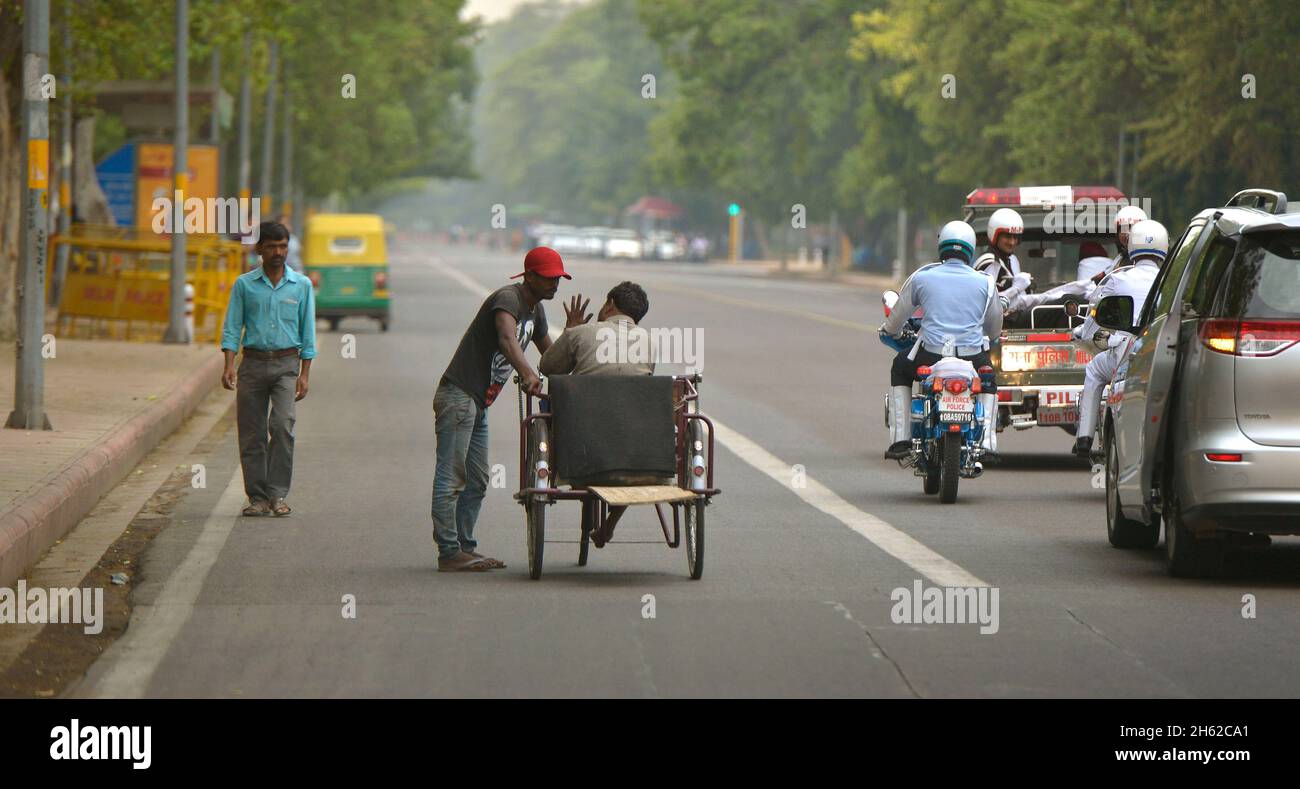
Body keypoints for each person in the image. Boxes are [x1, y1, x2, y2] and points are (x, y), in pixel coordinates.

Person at [432, 246, 564, 571]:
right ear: (529, 276)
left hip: (479, 403)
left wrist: (571, 336)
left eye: (558, 278)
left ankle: (465, 547)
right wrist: (527, 373)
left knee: (477, 479)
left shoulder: (537, 312)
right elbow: (507, 339)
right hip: (459, 395)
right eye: (548, 278)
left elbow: (552, 360)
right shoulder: (508, 299)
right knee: (453, 477)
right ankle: (449, 552)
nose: (554, 284)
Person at [881, 220, 1003, 462]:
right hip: (971, 358)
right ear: (970, 249)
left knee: (900, 368)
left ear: (941, 247)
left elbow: (898, 317)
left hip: (932, 355)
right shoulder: (986, 282)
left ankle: (900, 440)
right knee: (988, 379)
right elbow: (994, 327)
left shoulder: (923, 278)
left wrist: (891, 331)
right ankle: (987, 444)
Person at [220, 220, 316, 517]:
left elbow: (307, 331)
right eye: (272, 246)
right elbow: (233, 327)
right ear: (259, 249)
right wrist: (228, 365)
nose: (278, 252)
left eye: (283, 246)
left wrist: (304, 374)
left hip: (287, 365)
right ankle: (258, 498)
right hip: (253, 364)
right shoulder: (244, 285)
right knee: (252, 433)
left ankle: (277, 495)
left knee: (282, 426)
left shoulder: (301, 285)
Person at [1072, 219, 1167, 459]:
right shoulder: (1169, 281)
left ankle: (1084, 439)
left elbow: (1095, 313)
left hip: (1124, 352)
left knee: (1094, 370)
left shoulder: (1117, 278)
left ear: (1132, 246)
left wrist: (1082, 334)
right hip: (1159, 352)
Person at [539, 281, 654, 377]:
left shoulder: (580, 333)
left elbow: (547, 368)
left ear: (610, 304)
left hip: (582, 404)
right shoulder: (649, 342)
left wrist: (570, 331)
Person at [974, 208, 1034, 314]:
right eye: (1007, 236)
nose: (1012, 242)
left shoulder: (1012, 260)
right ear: (995, 236)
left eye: (1015, 237)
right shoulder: (989, 262)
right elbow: (986, 303)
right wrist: (1016, 289)